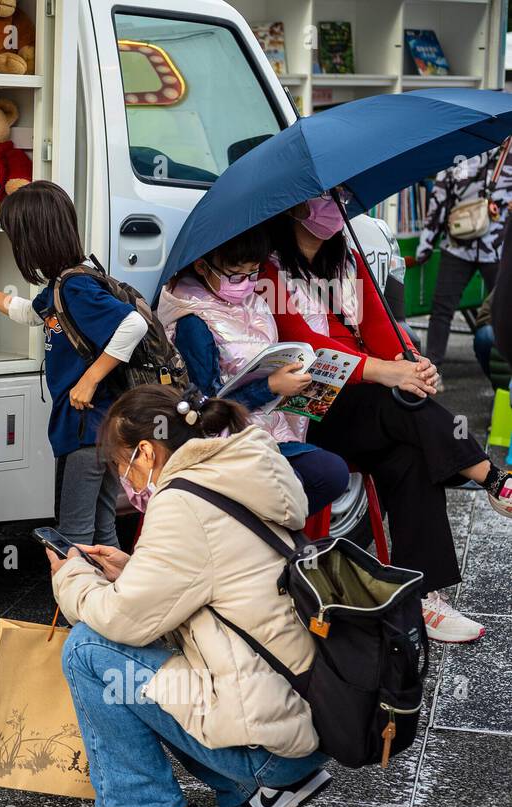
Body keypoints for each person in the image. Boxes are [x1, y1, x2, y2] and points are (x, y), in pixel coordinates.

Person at [51, 385, 330, 807]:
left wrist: (71, 577)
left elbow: (122, 619)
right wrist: (131, 568)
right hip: (302, 720)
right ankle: (247, 792)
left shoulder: (180, 500)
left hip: (268, 747)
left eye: (122, 464)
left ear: (145, 451)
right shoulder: (235, 473)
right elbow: (210, 577)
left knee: (86, 647)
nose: (125, 478)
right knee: (155, 652)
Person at [263, 193, 512, 643]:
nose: (333, 207)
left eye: (337, 197)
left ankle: (424, 596)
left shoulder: (346, 258)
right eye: (323, 199)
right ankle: (491, 477)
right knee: (395, 403)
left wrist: (412, 362)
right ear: (295, 206)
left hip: (368, 397)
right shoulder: (271, 269)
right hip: (310, 403)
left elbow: (380, 326)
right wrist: (387, 371)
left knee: (409, 452)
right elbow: (306, 347)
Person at [0, 181, 148, 546]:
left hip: (86, 427)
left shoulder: (75, 288)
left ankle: (77, 602)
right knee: (101, 526)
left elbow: (134, 324)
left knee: (75, 531)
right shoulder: (65, 281)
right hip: (99, 426)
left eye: (17, 239)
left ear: (34, 239)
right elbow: (30, 313)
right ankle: (114, 599)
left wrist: (90, 380)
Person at [157, 225, 349, 514]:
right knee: (298, 483)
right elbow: (204, 410)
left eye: (253, 273)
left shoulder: (254, 302)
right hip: (226, 441)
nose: (245, 283)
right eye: (235, 275)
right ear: (201, 266)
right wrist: (270, 387)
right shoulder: (192, 323)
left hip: (269, 430)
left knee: (332, 472)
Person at [414, 143, 512, 380]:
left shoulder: (459, 148)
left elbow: (438, 202)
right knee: (501, 309)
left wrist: (425, 246)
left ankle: (433, 371)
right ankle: (501, 373)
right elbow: (439, 199)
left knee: (443, 310)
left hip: (471, 244)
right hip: (487, 245)